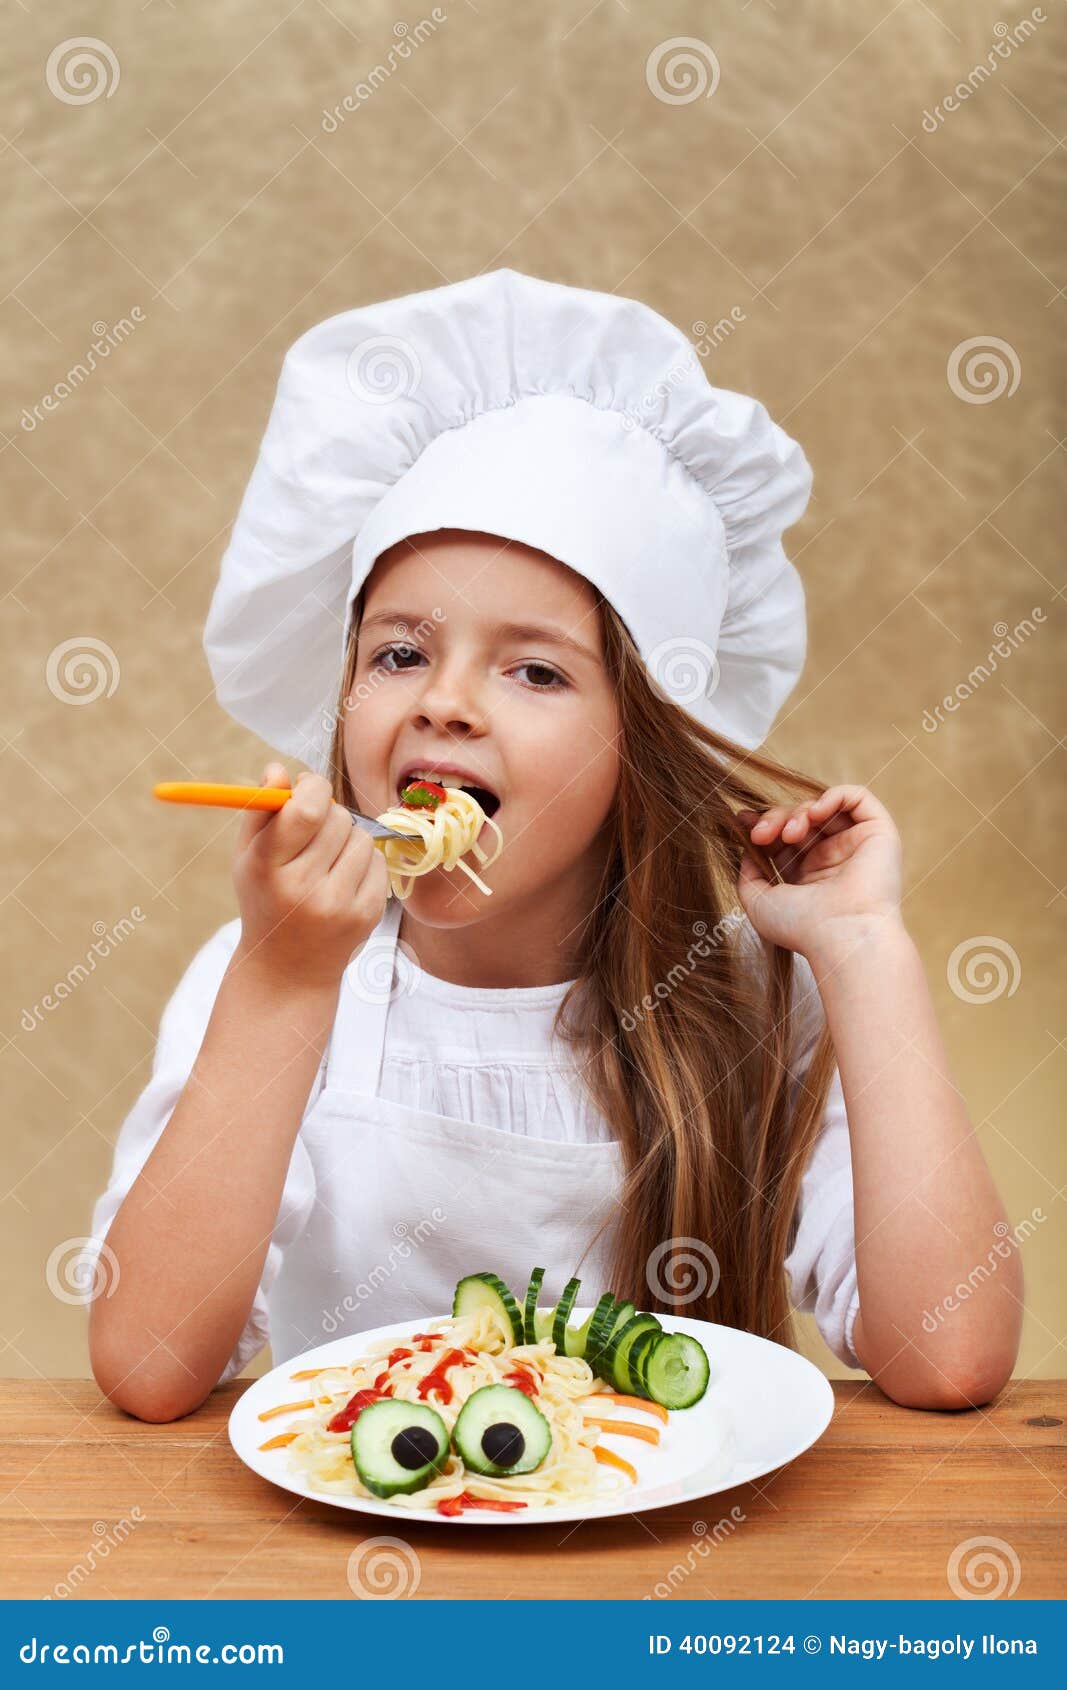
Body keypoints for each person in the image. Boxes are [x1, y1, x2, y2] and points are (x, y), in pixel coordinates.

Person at [86, 269, 1020, 1422]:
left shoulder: (752, 997)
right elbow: (147, 1362)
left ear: (646, 745)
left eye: (533, 669)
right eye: (397, 653)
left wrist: (863, 951)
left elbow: (952, 1357)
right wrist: (279, 988)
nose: (446, 702)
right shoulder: (274, 974)